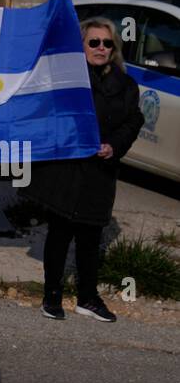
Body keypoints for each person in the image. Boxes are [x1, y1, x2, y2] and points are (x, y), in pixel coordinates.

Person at [20, 17, 144, 323]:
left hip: (100, 173)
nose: (101, 48)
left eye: (107, 43)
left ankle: (88, 298)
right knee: (59, 235)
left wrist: (113, 145)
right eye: (94, 42)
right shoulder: (65, 80)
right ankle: (52, 296)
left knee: (91, 238)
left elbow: (133, 121)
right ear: (82, 45)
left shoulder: (126, 85)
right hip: (67, 170)